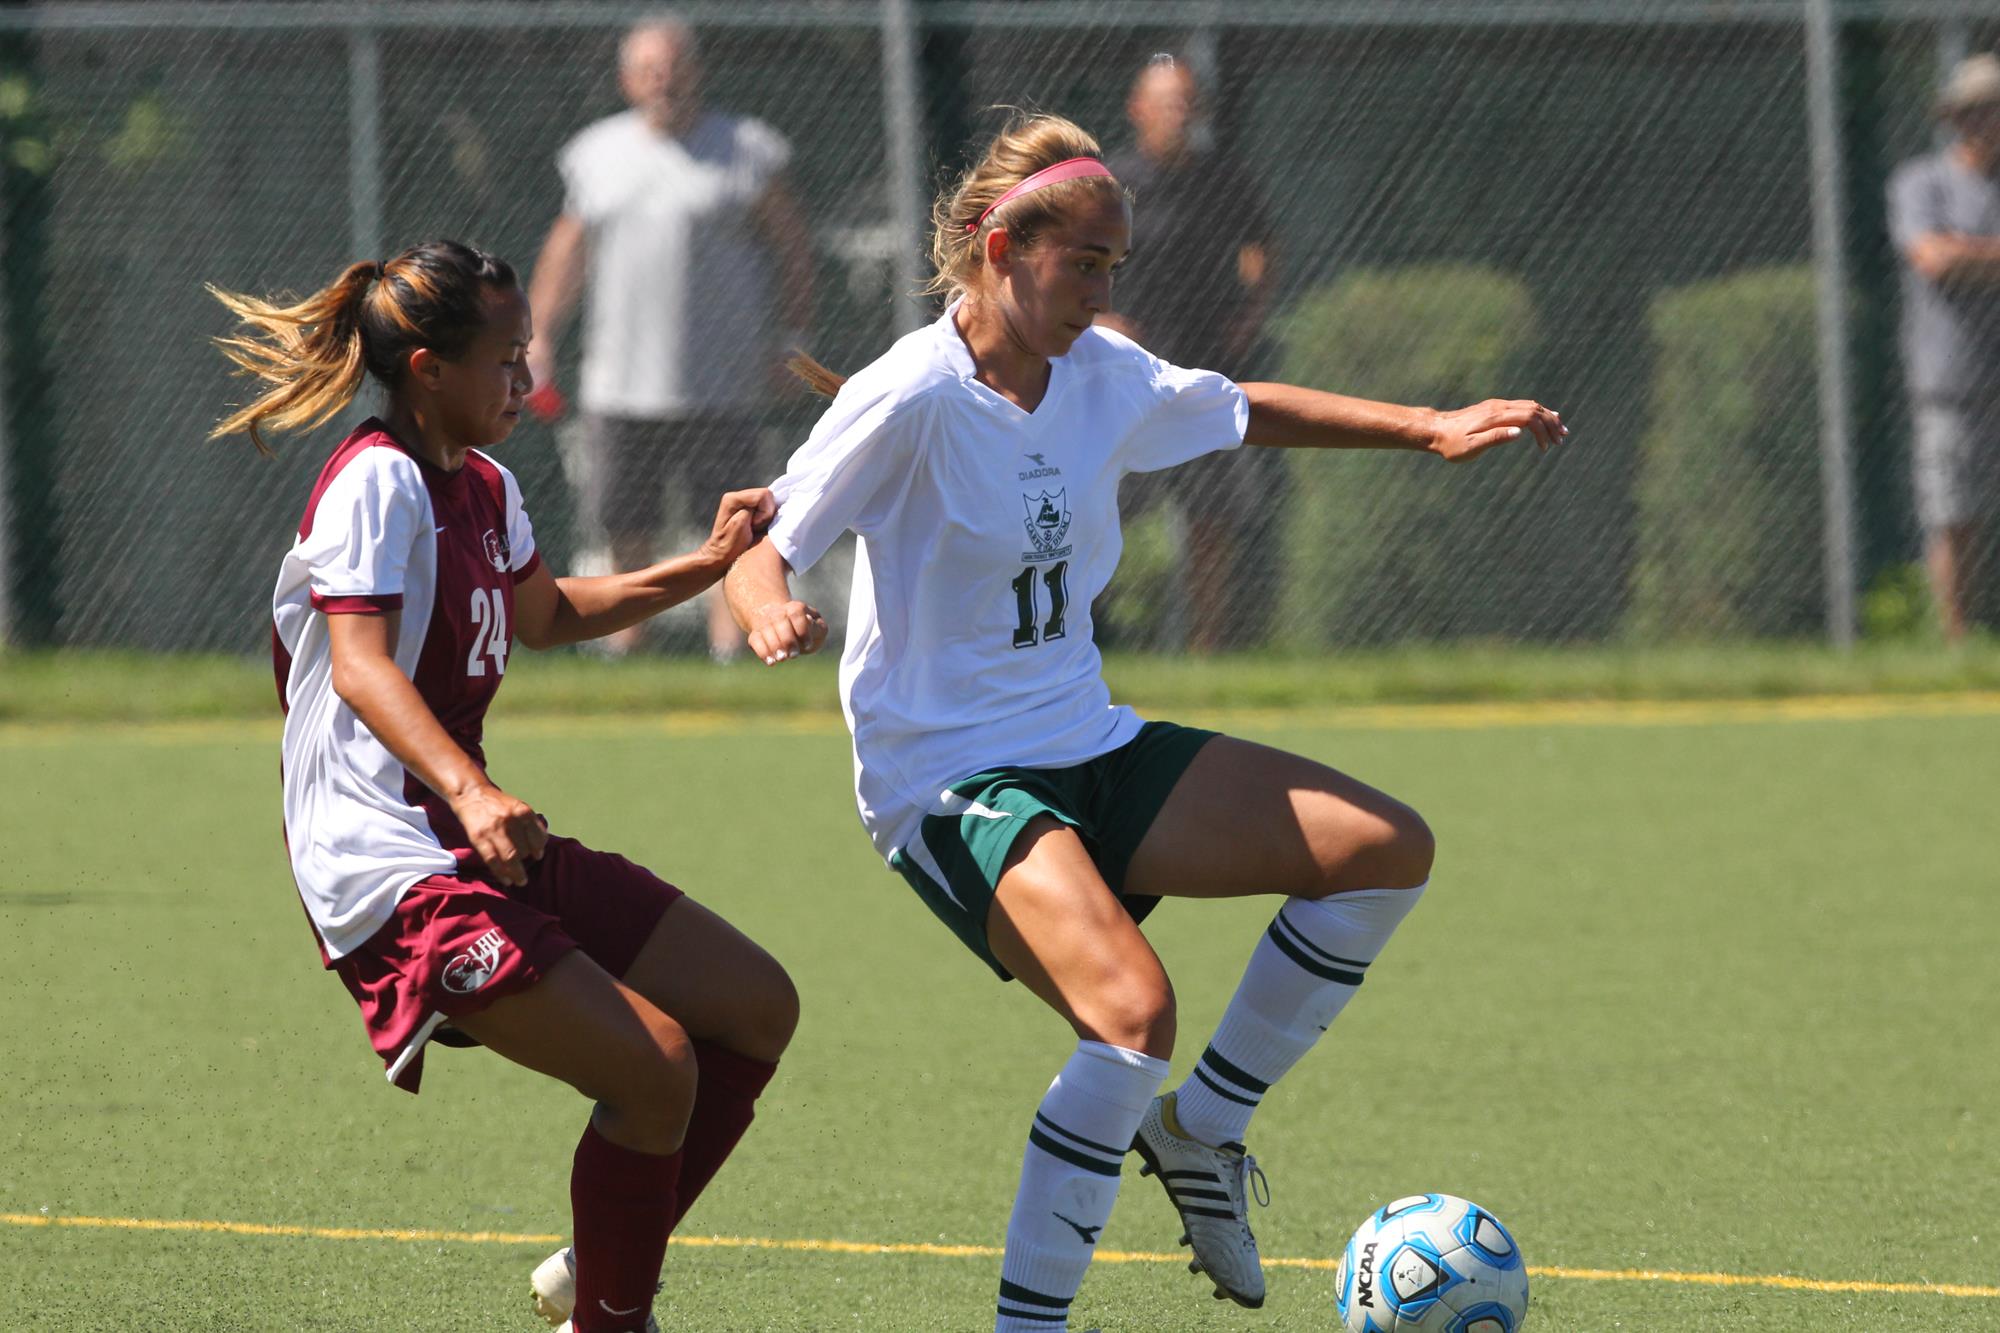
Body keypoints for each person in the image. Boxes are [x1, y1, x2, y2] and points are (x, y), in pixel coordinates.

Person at [723, 115, 1565, 1329]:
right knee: (1130, 1014)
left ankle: (1203, 1128)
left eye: (1116, 265)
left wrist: (1425, 426)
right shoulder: (906, 395)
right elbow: (766, 538)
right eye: (1085, 263)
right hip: (948, 774)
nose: (1104, 288)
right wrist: (766, 613)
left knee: (1381, 849)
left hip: (1088, 743)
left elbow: (1240, 407)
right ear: (1000, 244)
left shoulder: (1102, 373)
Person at [210, 239, 797, 1333]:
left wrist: (704, 564)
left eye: (527, 353)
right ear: (428, 367)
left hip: (466, 839)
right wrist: (474, 794)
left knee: (753, 1005)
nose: (525, 381)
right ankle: (611, 1317)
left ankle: (604, 1259)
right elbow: (360, 663)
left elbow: (547, 615)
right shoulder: (376, 479)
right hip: (384, 866)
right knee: (656, 1068)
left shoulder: (483, 484)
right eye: (505, 359)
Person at [525, 15, 814, 660]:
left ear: (696, 71)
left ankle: (731, 655)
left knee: (733, 526)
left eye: (675, 65)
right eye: (649, 68)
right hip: (620, 384)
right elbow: (566, 253)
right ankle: (627, 651)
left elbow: (791, 246)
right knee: (626, 527)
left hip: (722, 382)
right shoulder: (596, 154)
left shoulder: (746, 148)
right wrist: (541, 335)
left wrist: (792, 335)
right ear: (628, 79)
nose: (664, 80)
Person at [1101, 54, 1280, 652]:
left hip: (1204, 369)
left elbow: (1260, 248)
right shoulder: (1111, 185)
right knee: (1095, 508)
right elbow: (1074, 261)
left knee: (1211, 518)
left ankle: (1207, 651)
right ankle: (1078, 640)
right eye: (1167, 102)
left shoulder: (1221, 178)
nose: (1179, 114)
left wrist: (1248, 317)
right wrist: (1100, 321)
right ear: (1138, 110)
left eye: (1187, 102)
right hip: (1124, 377)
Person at [1889, 51, 2000, 643]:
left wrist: (1971, 255)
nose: (1986, 123)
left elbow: (1957, 256)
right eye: (1975, 112)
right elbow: (1932, 258)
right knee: (1955, 517)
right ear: (1955, 118)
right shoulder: (1922, 181)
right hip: (1951, 382)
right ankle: (1958, 648)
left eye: (1994, 111)